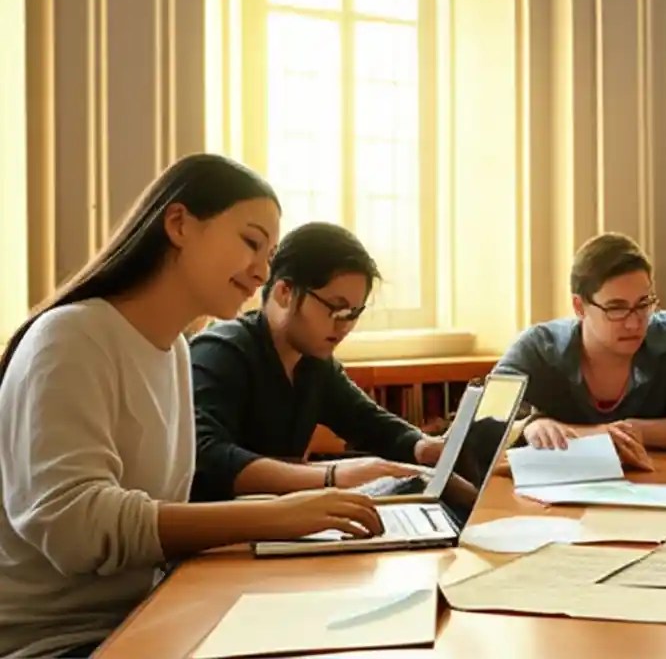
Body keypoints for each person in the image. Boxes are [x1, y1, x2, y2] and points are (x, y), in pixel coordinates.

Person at [0, 155, 383, 659]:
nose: (262, 272)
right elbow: (76, 528)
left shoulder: (175, 351)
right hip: (58, 643)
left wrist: (297, 515)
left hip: (146, 613)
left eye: (269, 254)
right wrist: (274, 517)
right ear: (179, 224)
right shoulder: (71, 337)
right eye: (250, 242)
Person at [189, 222, 443, 502]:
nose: (344, 326)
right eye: (336, 308)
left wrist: (422, 447)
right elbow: (206, 458)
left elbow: (367, 421)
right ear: (284, 293)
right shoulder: (220, 351)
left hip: (279, 520)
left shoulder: (314, 363)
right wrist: (331, 477)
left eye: (353, 313)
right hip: (217, 524)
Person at [493, 233, 666, 468]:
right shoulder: (538, 348)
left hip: (662, 479)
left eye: (643, 304)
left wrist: (633, 430)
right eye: (616, 308)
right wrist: (530, 425)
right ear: (579, 307)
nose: (634, 323)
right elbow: (484, 421)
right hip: (563, 485)